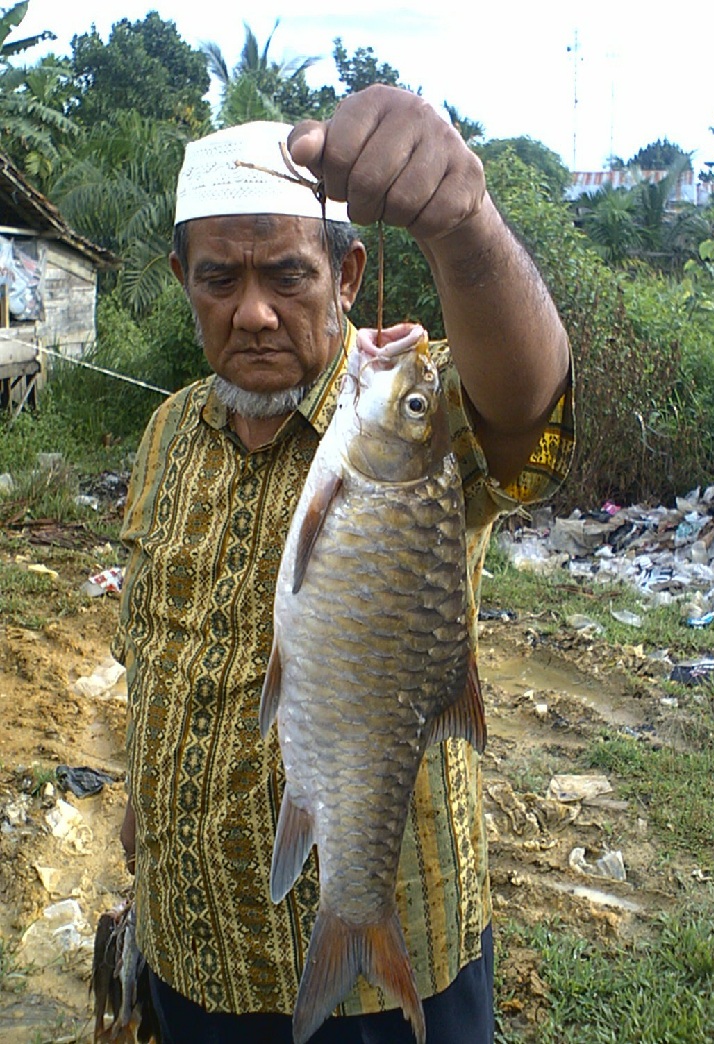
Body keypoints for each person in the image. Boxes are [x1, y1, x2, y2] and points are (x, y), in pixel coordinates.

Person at [113, 84, 573, 1044]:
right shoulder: (163, 436)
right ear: (180, 277)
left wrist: (466, 227)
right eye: (217, 279)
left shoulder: (415, 413)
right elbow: (155, 660)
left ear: (350, 273)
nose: (255, 315)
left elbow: (529, 410)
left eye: (287, 276)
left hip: (385, 992)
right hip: (193, 954)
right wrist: (140, 816)